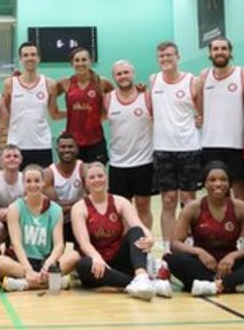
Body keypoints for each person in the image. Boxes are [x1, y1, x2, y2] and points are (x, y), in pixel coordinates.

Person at [167, 162, 244, 297]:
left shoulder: (240, 207)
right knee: (174, 260)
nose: (218, 184)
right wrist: (199, 252)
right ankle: (238, 283)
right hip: (203, 265)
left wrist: (233, 256)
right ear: (205, 183)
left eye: (223, 179)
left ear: (229, 183)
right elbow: (175, 244)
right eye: (212, 180)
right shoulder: (193, 207)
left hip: (231, 265)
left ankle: (216, 285)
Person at [61, 163, 164, 300]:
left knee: (136, 231)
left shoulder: (120, 202)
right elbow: (84, 243)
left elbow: (138, 225)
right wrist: (96, 257)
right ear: (86, 182)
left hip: (118, 259)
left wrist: (150, 238)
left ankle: (141, 277)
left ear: (106, 178)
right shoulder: (79, 208)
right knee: (83, 264)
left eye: (100, 176)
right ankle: (140, 284)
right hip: (96, 264)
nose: (97, 180)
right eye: (92, 177)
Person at [150, 41, 202, 246]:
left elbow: (202, 112)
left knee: (189, 201)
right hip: (163, 150)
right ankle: (168, 251)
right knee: (168, 200)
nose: (165, 59)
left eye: (169, 55)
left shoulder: (193, 81)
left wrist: (201, 119)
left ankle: (188, 246)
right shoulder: (153, 80)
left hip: (189, 148)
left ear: (178, 57)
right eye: (162, 56)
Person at [0, 165, 64, 292]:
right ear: (23, 184)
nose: (33, 185)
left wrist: (48, 265)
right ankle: (54, 282)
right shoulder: (15, 208)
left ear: (43, 183)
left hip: (44, 261)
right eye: (28, 181)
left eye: (37, 181)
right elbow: (16, 243)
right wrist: (28, 270)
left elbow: (59, 245)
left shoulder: (55, 209)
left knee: (74, 257)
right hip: (22, 261)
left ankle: (24, 284)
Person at [199, 38, 244, 201]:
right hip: (210, 144)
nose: (219, 52)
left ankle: (243, 226)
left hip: (237, 143)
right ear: (210, 53)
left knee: (239, 192)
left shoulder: (243, 73)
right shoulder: (204, 75)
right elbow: (199, 106)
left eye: (223, 48)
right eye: (215, 49)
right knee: (216, 192)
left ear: (230, 52)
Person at [105, 60, 155, 232]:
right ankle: (126, 248)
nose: (123, 76)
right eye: (119, 74)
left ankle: (144, 245)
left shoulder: (147, 97)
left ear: (133, 74)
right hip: (118, 163)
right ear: (114, 77)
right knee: (121, 209)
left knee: (143, 205)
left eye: (126, 72)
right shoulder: (108, 99)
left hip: (144, 161)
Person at [4, 42, 58, 168]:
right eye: (26, 55)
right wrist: (12, 129)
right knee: (18, 186)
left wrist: (73, 112)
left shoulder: (50, 84)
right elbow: (4, 111)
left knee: (42, 184)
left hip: (42, 144)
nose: (30, 58)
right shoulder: (9, 84)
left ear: (38, 58)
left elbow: (54, 113)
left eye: (33, 55)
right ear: (20, 59)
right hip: (16, 145)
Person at [54, 47, 112, 164]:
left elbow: (119, 97)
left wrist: (138, 89)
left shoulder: (102, 82)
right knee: (75, 180)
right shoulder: (65, 83)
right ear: (72, 63)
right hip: (73, 144)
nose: (80, 63)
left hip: (96, 141)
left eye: (84, 60)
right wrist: (66, 114)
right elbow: (45, 95)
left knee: (96, 179)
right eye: (77, 60)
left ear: (90, 61)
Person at [43, 134, 85, 243]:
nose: (67, 150)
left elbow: (88, 199)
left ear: (77, 148)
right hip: (58, 219)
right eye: (63, 147)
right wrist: (76, 204)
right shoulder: (49, 173)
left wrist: (70, 208)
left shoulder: (83, 168)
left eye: (70, 147)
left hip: (79, 217)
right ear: (57, 149)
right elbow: (53, 206)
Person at [0, 144, 25, 253]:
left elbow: (30, 211)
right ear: (1, 160)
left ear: (21, 159)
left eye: (15, 156)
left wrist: (9, 211)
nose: (12, 159)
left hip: (20, 220)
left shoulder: (26, 178)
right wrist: (16, 211)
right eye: (8, 156)